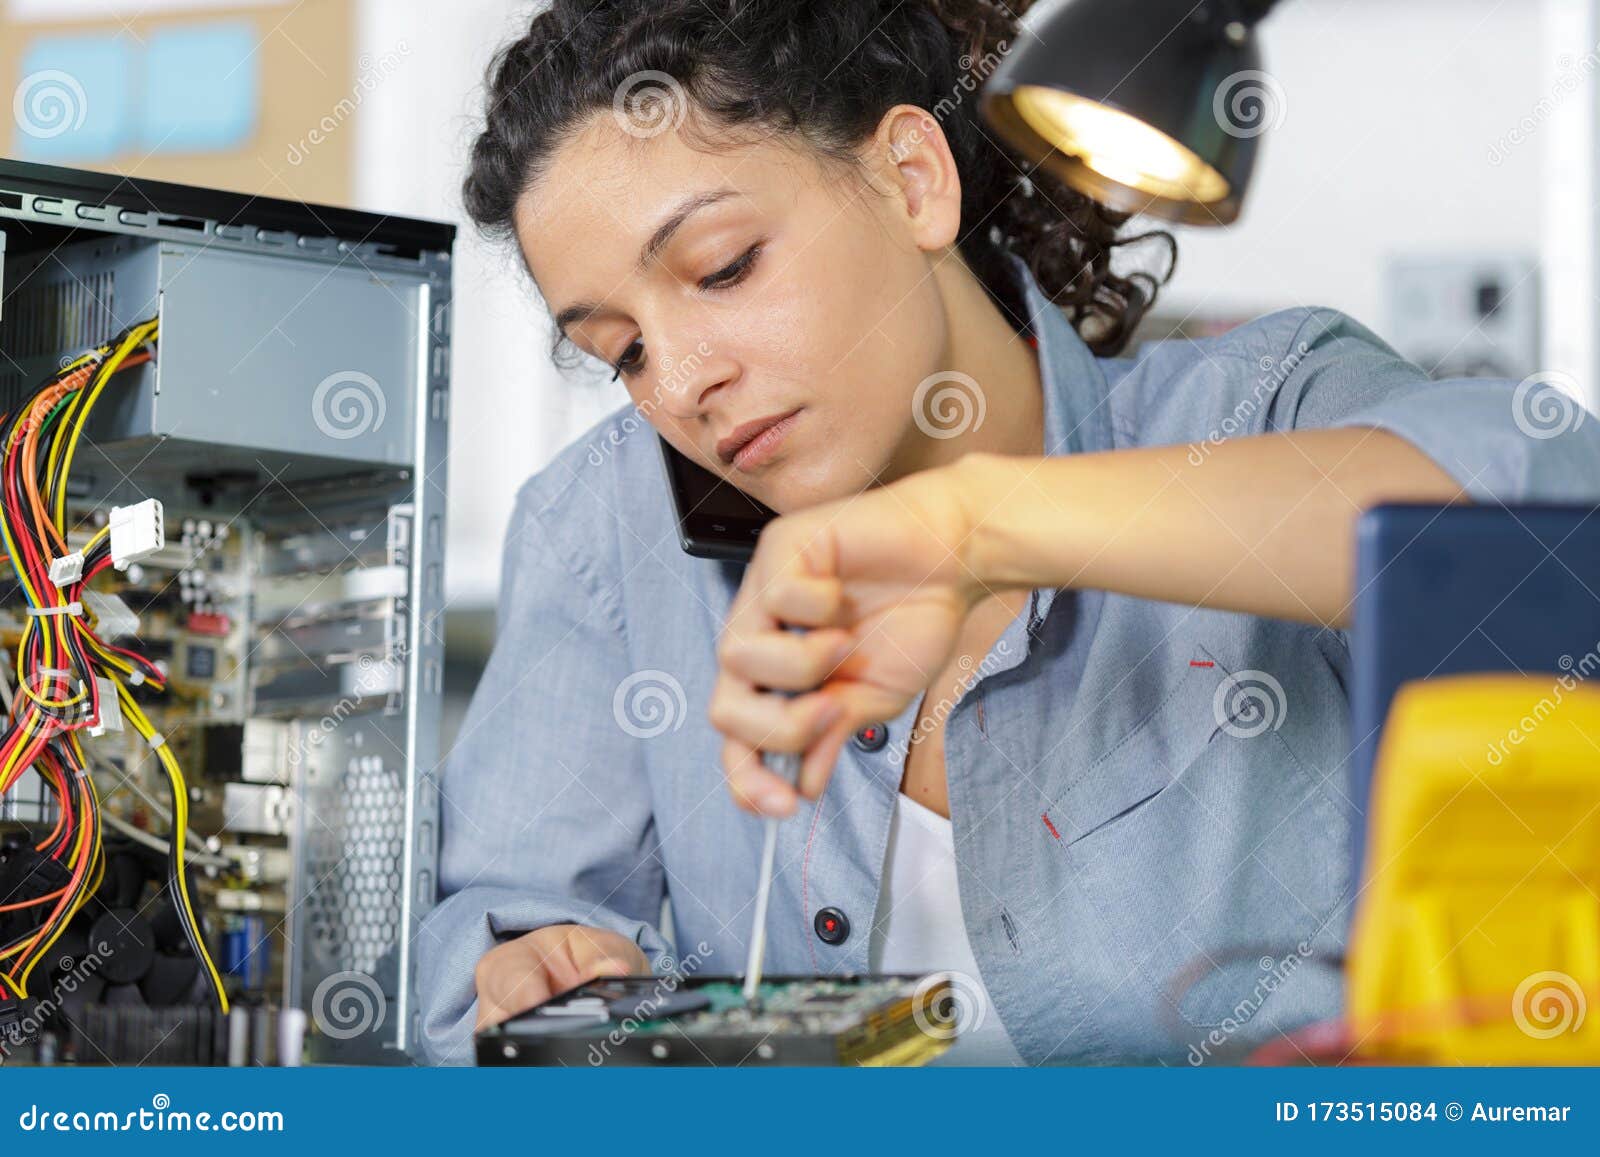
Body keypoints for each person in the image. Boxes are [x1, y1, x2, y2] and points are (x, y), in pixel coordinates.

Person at [415, 0, 1600, 1065]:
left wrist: (983, 524)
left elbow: (1545, 523)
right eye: (616, 350)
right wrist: (538, 968)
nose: (680, 380)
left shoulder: (1256, 406)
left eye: (723, 268)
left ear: (909, 179)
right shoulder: (604, 523)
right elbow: (495, 920)